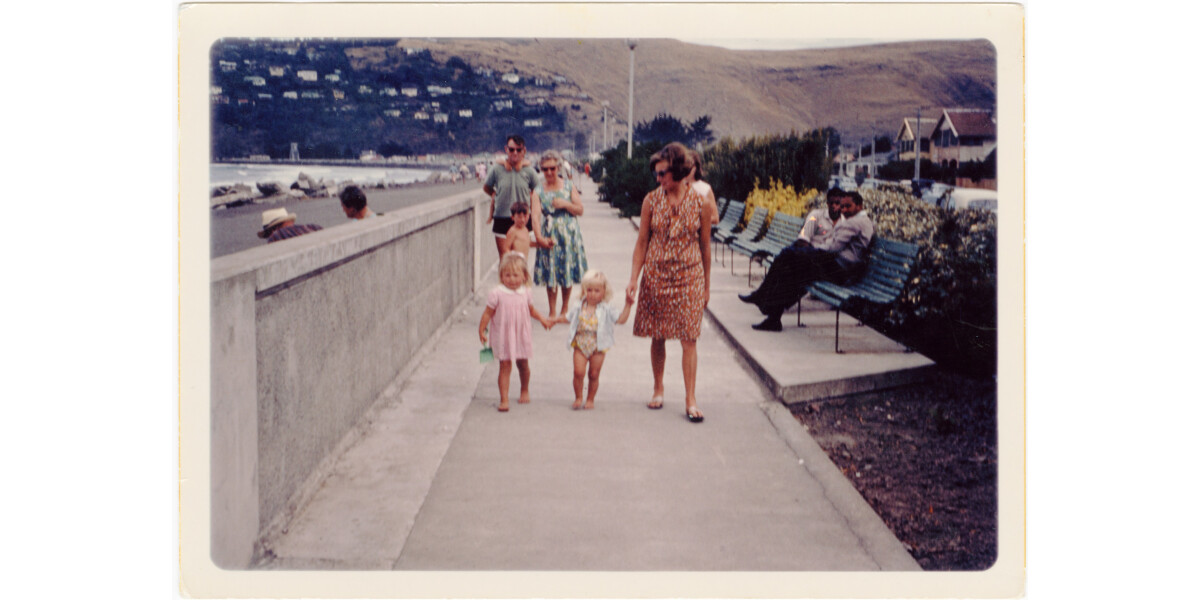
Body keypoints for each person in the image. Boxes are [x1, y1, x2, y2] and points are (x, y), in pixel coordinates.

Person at [625, 142, 712, 423]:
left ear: (678, 171)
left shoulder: (701, 203)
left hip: (690, 274)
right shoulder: (651, 200)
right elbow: (641, 243)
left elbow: (706, 248)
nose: (659, 179)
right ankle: (658, 387)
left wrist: (707, 286)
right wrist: (633, 279)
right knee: (658, 332)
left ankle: (690, 399)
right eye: (656, 175)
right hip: (657, 273)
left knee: (689, 337)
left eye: (663, 174)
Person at [738, 190, 874, 332]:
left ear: (859, 206)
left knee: (788, 258)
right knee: (790, 267)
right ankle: (771, 315)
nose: (843, 210)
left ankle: (764, 302)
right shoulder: (861, 221)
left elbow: (833, 247)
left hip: (838, 269)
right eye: (843, 206)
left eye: (848, 206)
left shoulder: (855, 223)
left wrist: (814, 249)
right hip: (837, 266)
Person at [478, 252, 553, 412]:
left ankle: (524, 389)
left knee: (523, 364)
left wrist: (543, 319)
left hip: (521, 335)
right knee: (504, 365)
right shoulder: (497, 293)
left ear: (524, 276)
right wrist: (482, 328)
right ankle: (504, 399)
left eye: (515, 275)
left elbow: (531, 310)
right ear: (501, 276)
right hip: (503, 335)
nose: (511, 279)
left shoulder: (526, 293)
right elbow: (488, 313)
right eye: (507, 275)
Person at [550, 270, 634, 410]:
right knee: (578, 372)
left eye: (597, 290)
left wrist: (628, 305)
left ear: (604, 292)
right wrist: (554, 320)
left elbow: (621, 319)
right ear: (584, 290)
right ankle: (578, 397)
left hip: (598, 346)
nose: (593, 294)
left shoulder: (606, 309)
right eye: (589, 290)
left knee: (594, 374)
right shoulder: (579, 306)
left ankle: (590, 399)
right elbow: (568, 317)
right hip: (580, 343)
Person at [532, 150, 588, 319]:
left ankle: (564, 310)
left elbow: (580, 210)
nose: (549, 172)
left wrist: (564, 204)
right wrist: (539, 237)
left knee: (566, 270)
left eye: (552, 168)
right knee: (551, 271)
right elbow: (534, 216)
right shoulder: (538, 191)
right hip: (550, 233)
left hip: (569, 234)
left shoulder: (569, 186)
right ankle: (552, 311)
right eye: (545, 169)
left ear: (558, 168)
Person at [484, 135, 542, 258]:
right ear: (506, 149)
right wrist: (494, 194)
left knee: (521, 259)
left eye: (518, 150)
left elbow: (538, 191)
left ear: (524, 151)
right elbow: (486, 187)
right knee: (505, 259)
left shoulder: (529, 171)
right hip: (502, 218)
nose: (515, 152)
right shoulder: (496, 169)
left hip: (523, 219)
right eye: (511, 149)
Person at [686, 149, 720, 225]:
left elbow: (715, 218)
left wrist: (695, 220)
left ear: (694, 168)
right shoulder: (676, 187)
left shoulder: (705, 188)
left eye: (688, 167)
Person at [257, 207, 323, 243]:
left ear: (273, 230)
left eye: (267, 234)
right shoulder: (314, 227)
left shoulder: (276, 237)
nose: (269, 237)